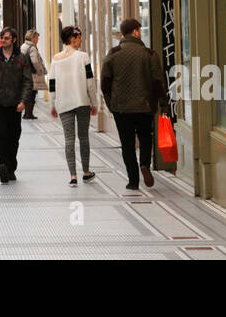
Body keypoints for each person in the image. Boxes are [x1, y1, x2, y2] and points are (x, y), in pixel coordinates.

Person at [101, 18, 168, 191]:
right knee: (146, 138)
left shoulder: (113, 53)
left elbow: (105, 83)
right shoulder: (150, 54)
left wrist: (111, 104)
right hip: (144, 106)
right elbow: (157, 82)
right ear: (136, 32)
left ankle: (133, 181)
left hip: (121, 108)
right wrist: (162, 104)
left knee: (127, 144)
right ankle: (144, 163)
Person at [0, 27, 34, 184]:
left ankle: (11, 166)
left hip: (15, 104)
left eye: (7, 38)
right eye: (2, 38)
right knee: (1, 135)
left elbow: (27, 82)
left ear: (14, 40)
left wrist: (24, 101)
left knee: (14, 136)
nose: (3, 40)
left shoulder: (21, 58)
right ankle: (2, 165)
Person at [48, 26, 97, 185]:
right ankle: (86, 172)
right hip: (82, 101)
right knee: (83, 137)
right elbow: (90, 83)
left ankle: (73, 176)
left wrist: (52, 104)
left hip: (63, 103)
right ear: (72, 38)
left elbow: (52, 83)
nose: (81, 40)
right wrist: (94, 102)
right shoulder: (83, 57)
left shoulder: (55, 58)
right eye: (79, 37)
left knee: (69, 139)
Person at [21, 30, 47, 119]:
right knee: (32, 94)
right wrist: (40, 71)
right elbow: (35, 61)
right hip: (32, 74)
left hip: (25, 73)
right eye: (36, 37)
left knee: (28, 93)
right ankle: (29, 114)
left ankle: (27, 113)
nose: (38, 39)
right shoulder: (32, 48)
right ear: (32, 38)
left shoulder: (23, 46)